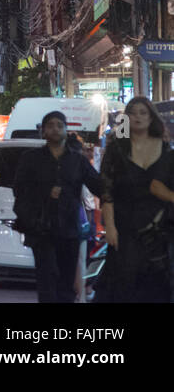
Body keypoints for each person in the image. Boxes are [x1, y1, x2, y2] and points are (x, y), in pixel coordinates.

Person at [12, 111, 104, 303]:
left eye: (59, 125)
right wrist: (44, 196)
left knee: (66, 284)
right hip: (41, 230)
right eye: (51, 125)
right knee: (46, 282)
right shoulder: (31, 159)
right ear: (43, 131)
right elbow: (20, 190)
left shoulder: (77, 161)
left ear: (65, 130)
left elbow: (99, 186)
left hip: (69, 230)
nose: (55, 129)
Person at [93, 96, 174, 303]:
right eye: (133, 112)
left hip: (159, 226)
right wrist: (109, 226)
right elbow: (107, 191)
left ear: (151, 118)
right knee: (124, 283)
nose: (138, 117)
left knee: (158, 286)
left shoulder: (166, 148)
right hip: (125, 224)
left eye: (143, 112)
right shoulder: (116, 149)